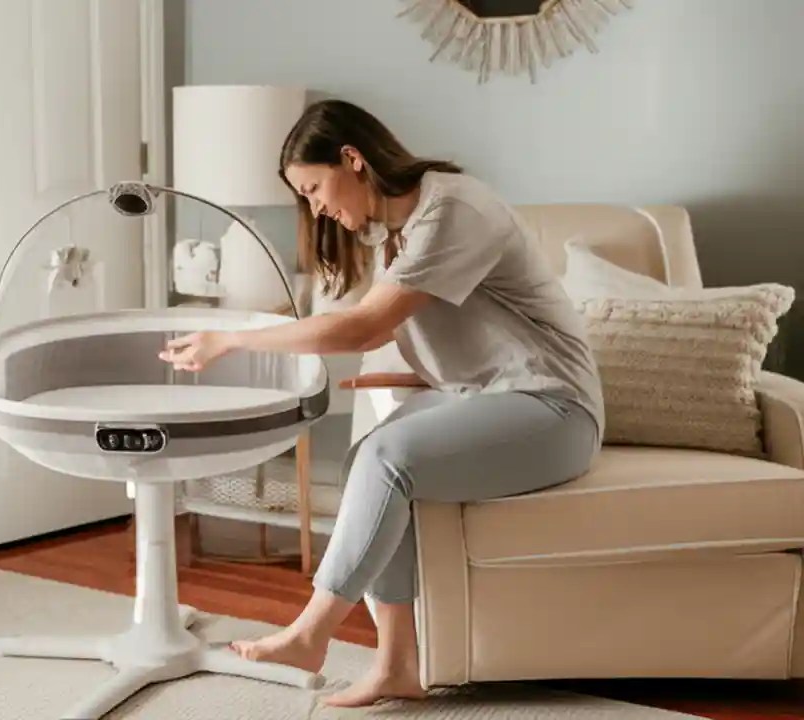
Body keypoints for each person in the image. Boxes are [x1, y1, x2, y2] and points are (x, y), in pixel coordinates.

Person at [157, 99, 604, 707]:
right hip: (479, 398)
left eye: (315, 187)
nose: (316, 206)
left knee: (388, 457)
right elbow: (388, 328)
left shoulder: (453, 210)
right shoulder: (394, 229)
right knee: (367, 456)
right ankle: (397, 665)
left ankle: (310, 633)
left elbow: (365, 328)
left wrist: (233, 340)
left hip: (554, 410)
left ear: (352, 159)